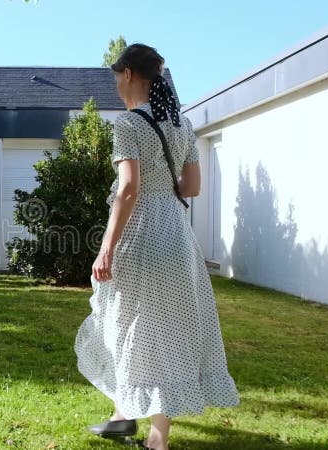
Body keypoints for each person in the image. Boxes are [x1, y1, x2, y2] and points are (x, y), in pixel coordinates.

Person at [73, 43, 241, 450]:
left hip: (141, 235)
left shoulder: (128, 125)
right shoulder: (182, 125)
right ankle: (136, 424)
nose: (116, 84)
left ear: (129, 74)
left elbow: (128, 189)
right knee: (168, 330)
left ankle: (139, 427)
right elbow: (192, 186)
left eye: (117, 77)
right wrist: (163, 187)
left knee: (125, 325)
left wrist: (106, 248)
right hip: (176, 235)